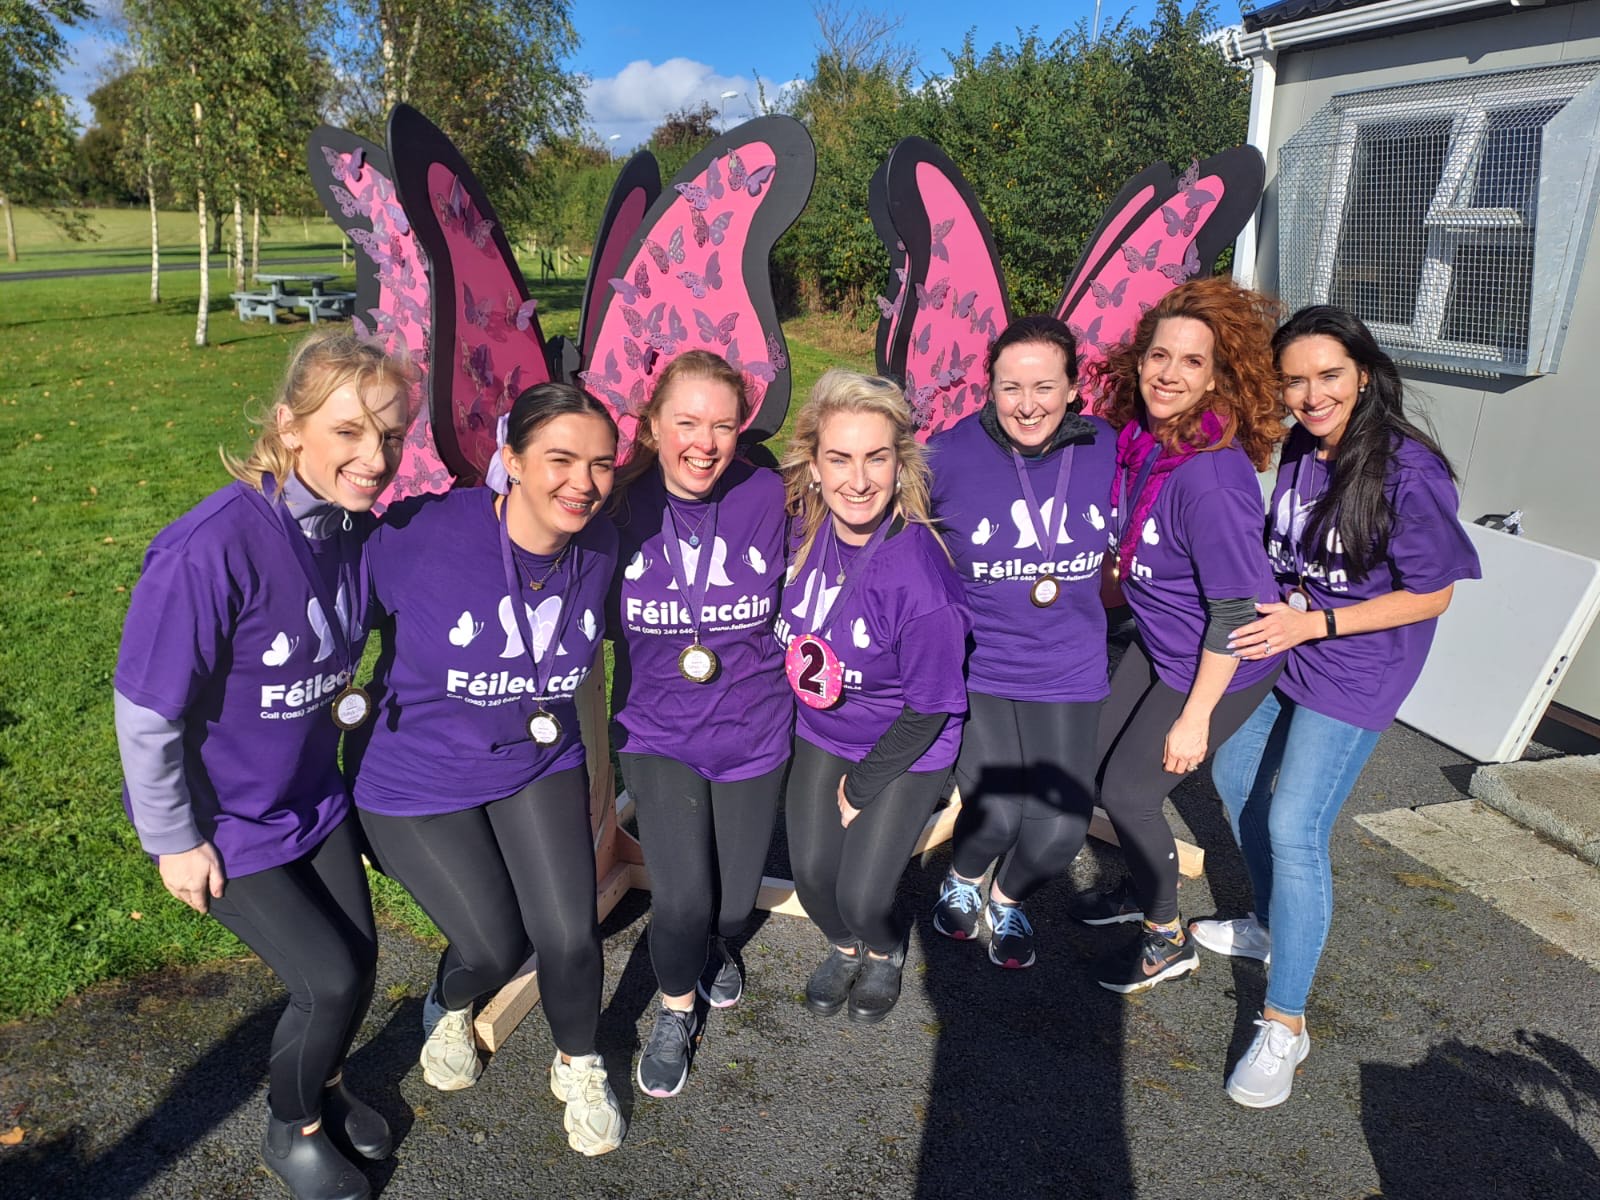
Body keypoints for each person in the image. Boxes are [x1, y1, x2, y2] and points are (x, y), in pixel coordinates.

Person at [114, 332, 412, 1200]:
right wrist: (174, 838)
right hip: (227, 823)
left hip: (309, 798)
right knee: (327, 979)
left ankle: (321, 1080)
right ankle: (296, 1127)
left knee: (358, 961)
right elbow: (147, 708)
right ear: (289, 427)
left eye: (391, 436)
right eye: (349, 431)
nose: (374, 457)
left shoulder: (352, 529)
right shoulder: (208, 547)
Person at [1192, 305, 1481, 1107]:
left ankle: (1285, 1025)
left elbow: (1433, 596)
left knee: (1296, 826)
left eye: (1327, 375)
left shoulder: (1408, 471)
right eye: (1294, 379)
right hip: (1291, 642)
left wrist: (1314, 620)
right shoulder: (1301, 446)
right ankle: (1269, 924)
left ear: (1363, 372)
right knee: (1236, 781)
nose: (1310, 393)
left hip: (1357, 668)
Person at [348, 382, 625, 1157]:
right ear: (510, 459)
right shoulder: (423, 534)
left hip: (536, 757)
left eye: (602, 465)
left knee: (570, 935)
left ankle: (580, 1064)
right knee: (494, 948)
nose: (583, 483)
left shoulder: (600, 544)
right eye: (560, 460)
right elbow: (317, 596)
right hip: (415, 777)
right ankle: (447, 1000)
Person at [1090, 276, 1286, 995]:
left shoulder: (1209, 479)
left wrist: (1195, 719)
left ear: (1218, 377)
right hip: (1161, 640)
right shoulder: (1143, 441)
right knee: (1091, 763)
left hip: (1221, 660)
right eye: (1158, 355)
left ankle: (1166, 935)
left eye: (1191, 362)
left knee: (1131, 792)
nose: (1168, 374)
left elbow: (1235, 617)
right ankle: (1140, 887)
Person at [606, 351, 791, 1098]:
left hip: (755, 729)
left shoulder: (771, 494)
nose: (705, 442)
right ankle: (676, 1010)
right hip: (657, 732)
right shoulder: (616, 506)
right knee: (680, 897)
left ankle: (716, 942)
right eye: (686, 421)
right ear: (652, 424)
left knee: (733, 901)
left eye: (722, 424)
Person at [776, 369, 971, 1023]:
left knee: (862, 893)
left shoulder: (920, 579)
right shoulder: (802, 528)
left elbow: (931, 706)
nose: (857, 480)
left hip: (906, 741)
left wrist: (861, 789)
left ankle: (882, 949)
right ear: (813, 463)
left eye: (875, 458)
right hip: (823, 732)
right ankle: (843, 945)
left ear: (899, 463)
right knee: (812, 881)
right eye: (840, 458)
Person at [923, 315, 1118, 968]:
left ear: (1072, 388)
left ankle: (1007, 897)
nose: (1026, 404)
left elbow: (1196, 448)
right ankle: (965, 876)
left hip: (1069, 670)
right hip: (980, 665)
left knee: (1060, 834)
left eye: (1043, 387)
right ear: (990, 387)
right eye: (1010, 388)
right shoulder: (947, 456)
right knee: (1000, 814)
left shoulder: (1108, 447)